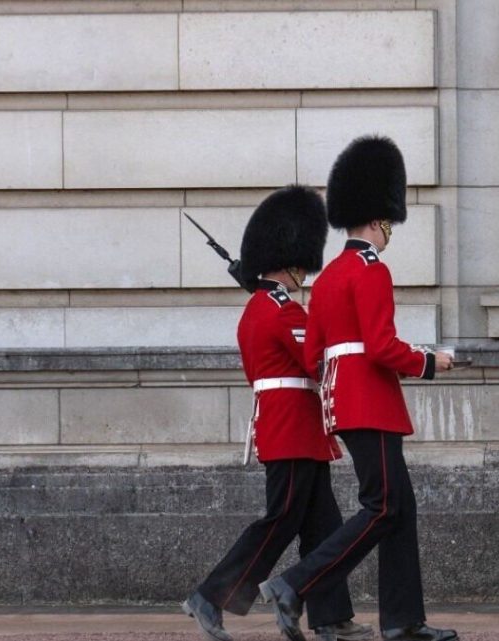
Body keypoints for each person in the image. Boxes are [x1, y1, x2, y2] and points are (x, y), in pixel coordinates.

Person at [258, 136, 457, 641]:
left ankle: (404, 620)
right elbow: (382, 348)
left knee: (399, 508)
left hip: (342, 403)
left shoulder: (325, 281)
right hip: (371, 402)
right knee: (383, 506)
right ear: (379, 221)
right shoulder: (372, 270)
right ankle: (294, 583)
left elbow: (312, 356)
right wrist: (431, 361)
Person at [182, 186, 374, 641]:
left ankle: (330, 617)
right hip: (291, 427)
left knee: (323, 528)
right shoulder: (281, 312)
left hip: (297, 427)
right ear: (287, 263)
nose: (305, 275)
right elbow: (317, 360)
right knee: (280, 519)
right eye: (301, 268)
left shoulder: (264, 307)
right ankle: (211, 596)